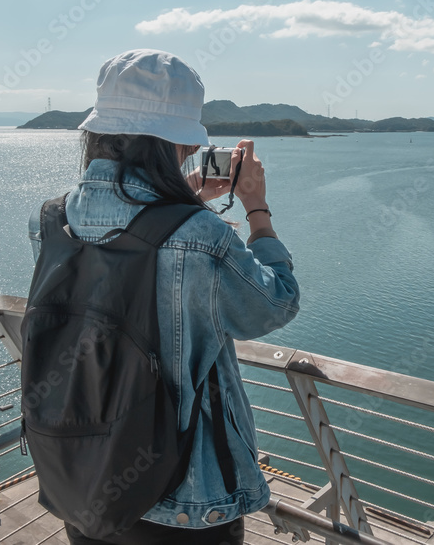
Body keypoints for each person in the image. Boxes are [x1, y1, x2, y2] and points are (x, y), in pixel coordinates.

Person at [27, 49, 300, 544]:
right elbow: (275, 304)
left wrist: (185, 199)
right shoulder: (199, 235)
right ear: (178, 143)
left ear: (99, 132)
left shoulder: (51, 218)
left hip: (82, 470)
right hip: (182, 500)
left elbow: (112, 274)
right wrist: (258, 208)